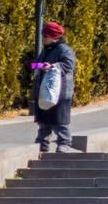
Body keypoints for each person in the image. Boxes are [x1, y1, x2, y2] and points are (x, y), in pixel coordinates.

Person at [32, 20, 78, 153]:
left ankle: (64, 143)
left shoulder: (64, 50)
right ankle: (42, 143)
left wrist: (53, 67)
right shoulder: (46, 50)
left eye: (45, 36)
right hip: (44, 90)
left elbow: (68, 65)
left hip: (60, 91)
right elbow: (36, 65)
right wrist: (38, 66)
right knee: (43, 121)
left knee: (59, 120)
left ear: (52, 37)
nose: (43, 39)